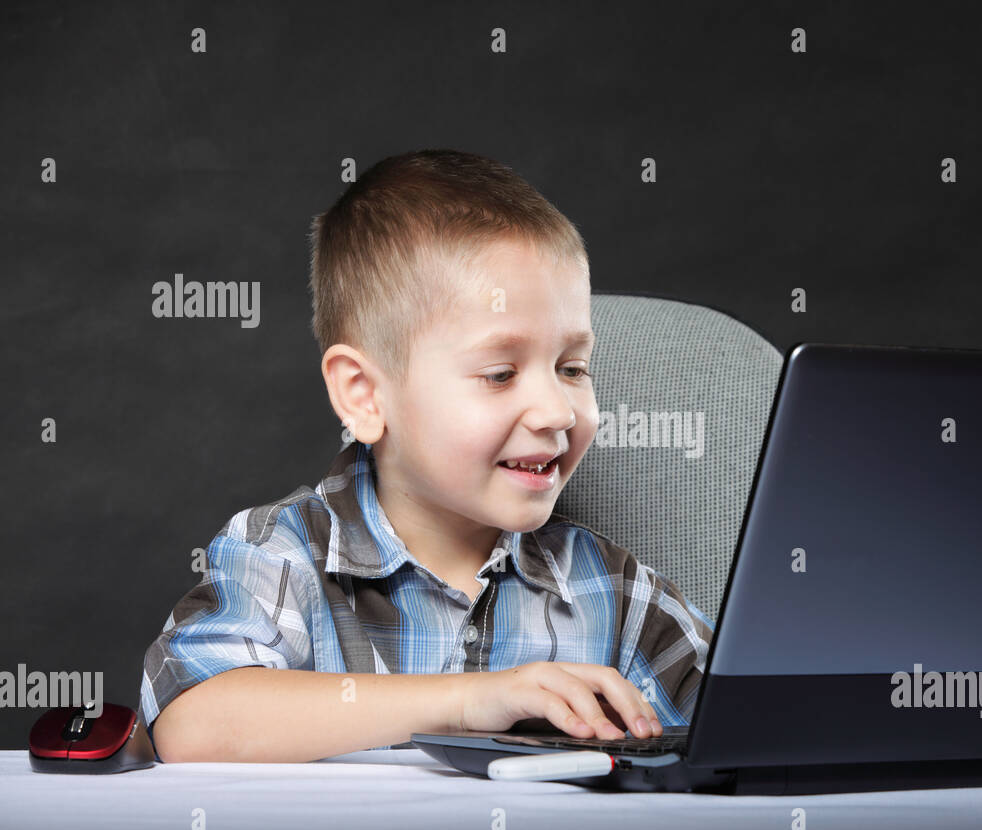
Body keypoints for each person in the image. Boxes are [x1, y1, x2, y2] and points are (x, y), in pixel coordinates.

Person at [139, 149, 714, 763]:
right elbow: (191, 720)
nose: (557, 412)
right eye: (500, 373)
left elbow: (749, 734)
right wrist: (466, 701)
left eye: (572, 367)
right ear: (364, 395)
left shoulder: (615, 592)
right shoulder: (283, 555)